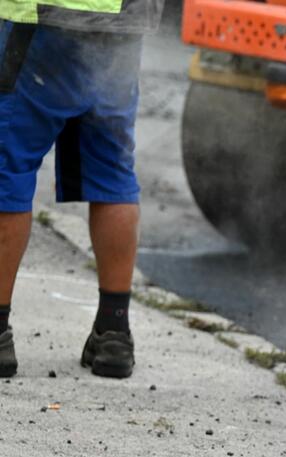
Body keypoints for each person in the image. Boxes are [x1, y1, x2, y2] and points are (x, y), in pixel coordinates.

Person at [0, 0, 164, 379]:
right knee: (112, 168)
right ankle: (114, 333)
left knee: (8, 165)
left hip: (42, 17)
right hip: (123, 23)